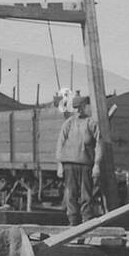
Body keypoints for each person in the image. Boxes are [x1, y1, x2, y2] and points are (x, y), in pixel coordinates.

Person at [55, 94, 104, 225]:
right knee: (70, 194)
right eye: (75, 108)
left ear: (85, 107)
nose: (78, 110)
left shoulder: (91, 123)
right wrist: (60, 164)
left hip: (86, 165)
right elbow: (60, 143)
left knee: (86, 195)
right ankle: (73, 222)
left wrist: (97, 165)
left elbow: (99, 144)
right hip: (69, 165)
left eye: (80, 107)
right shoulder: (68, 123)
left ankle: (86, 221)